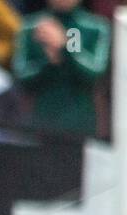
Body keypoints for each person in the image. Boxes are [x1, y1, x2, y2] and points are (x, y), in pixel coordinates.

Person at [13, 0, 109, 137]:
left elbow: (95, 74)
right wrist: (49, 61)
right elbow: (21, 76)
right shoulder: (30, 27)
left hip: (81, 126)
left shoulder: (96, 27)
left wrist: (65, 47)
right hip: (39, 125)